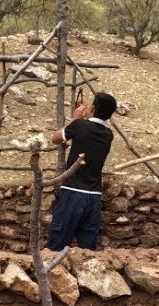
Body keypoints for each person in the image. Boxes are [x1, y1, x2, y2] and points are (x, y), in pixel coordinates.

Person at [47, 91, 117, 251]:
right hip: (94, 196)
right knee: (87, 248)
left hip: (72, 192)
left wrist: (76, 117)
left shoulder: (79, 125)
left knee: (57, 243)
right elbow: (90, 130)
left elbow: (55, 138)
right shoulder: (108, 135)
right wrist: (84, 117)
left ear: (92, 108)